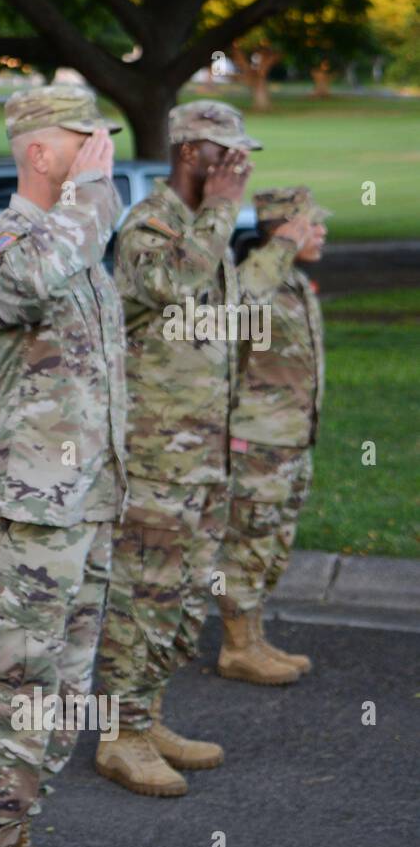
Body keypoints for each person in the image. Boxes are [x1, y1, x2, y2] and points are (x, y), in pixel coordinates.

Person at [0, 86, 126, 847]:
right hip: (19, 516)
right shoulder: (1, 245)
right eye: (86, 140)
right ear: (37, 151)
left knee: (60, 692)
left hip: (79, 509)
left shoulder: (81, 249)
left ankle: (15, 839)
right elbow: (32, 279)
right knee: (11, 690)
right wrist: (94, 199)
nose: (103, 154)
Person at [96, 100, 259, 796]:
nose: (241, 171)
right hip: (156, 457)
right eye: (229, 157)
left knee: (185, 595)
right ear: (192, 154)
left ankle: (148, 715)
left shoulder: (202, 234)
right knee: (145, 595)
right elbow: (172, 281)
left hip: (201, 454)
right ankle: (120, 735)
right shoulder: (151, 227)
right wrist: (221, 209)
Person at [214, 187, 327, 683]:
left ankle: (253, 637)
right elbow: (232, 318)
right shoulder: (254, 284)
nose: (321, 232)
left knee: (275, 543)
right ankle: (236, 647)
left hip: (293, 438)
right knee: (248, 543)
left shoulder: (297, 283)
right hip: (257, 441)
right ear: (284, 229)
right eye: (311, 225)